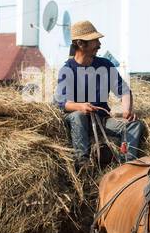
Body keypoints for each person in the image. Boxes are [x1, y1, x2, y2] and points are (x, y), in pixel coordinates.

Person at [55, 19, 143, 165]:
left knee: (134, 125)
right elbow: (62, 103)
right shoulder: (67, 69)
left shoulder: (105, 65)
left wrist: (127, 110)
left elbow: (125, 91)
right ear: (81, 44)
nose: (99, 45)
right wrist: (81, 107)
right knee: (78, 116)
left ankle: (127, 164)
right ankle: (82, 163)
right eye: (95, 41)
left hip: (101, 119)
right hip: (76, 120)